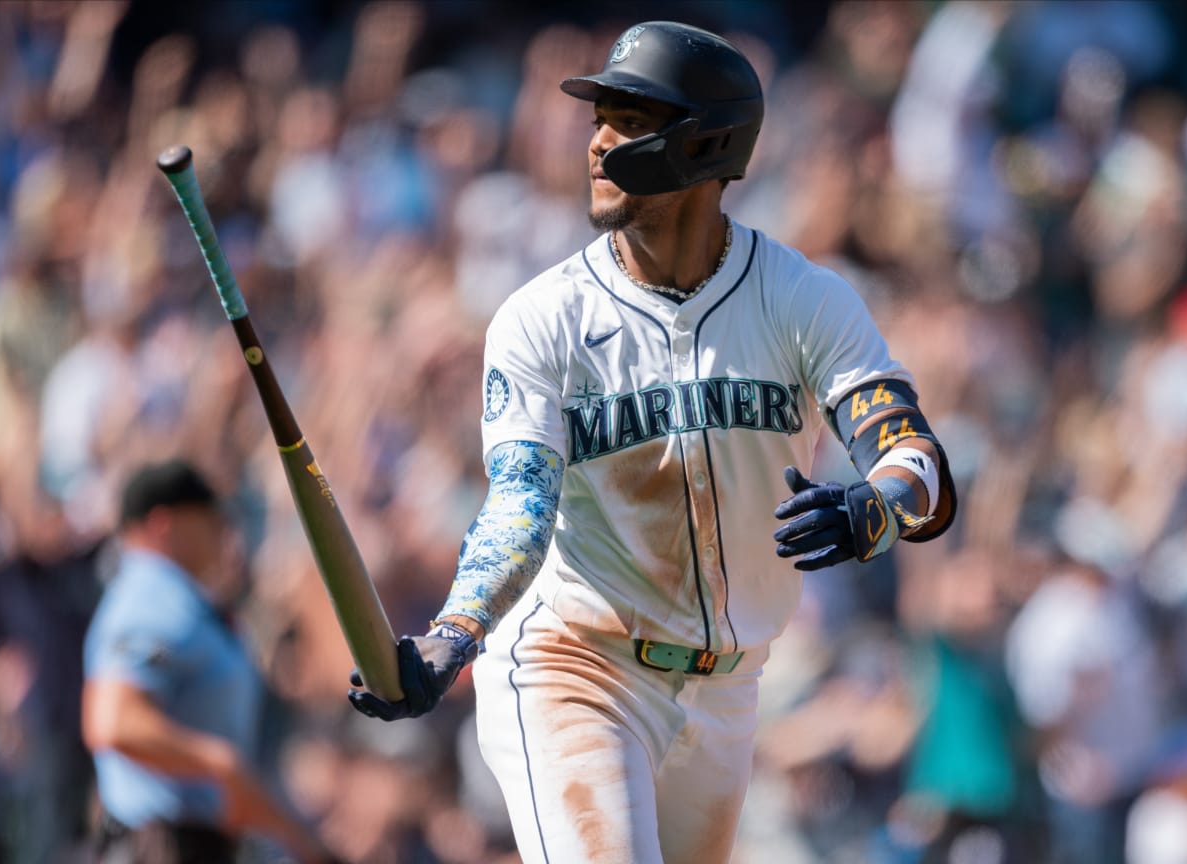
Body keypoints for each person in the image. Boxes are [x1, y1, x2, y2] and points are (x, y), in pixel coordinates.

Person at [348, 20, 957, 864]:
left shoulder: (803, 298)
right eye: (600, 118)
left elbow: (913, 458)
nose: (597, 141)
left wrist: (877, 510)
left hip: (728, 688)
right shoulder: (542, 317)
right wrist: (455, 632)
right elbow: (521, 501)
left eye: (630, 121)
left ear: (706, 145)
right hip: (576, 666)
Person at [82, 459, 329, 864]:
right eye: (210, 518)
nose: (223, 531)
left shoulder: (184, 602)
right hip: (158, 847)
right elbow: (112, 721)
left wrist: (298, 839)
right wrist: (214, 762)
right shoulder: (149, 596)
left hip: (194, 843)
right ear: (164, 525)